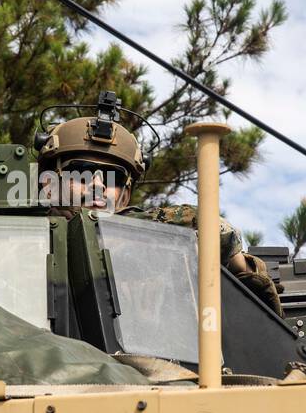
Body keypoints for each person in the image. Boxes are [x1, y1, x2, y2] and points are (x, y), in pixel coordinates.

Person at [35, 96, 284, 314]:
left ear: (126, 194)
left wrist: (240, 266)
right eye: (83, 171)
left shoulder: (155, 250)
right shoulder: (21, 237)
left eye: (115, 177)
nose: (98, 184)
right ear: (50, 184)